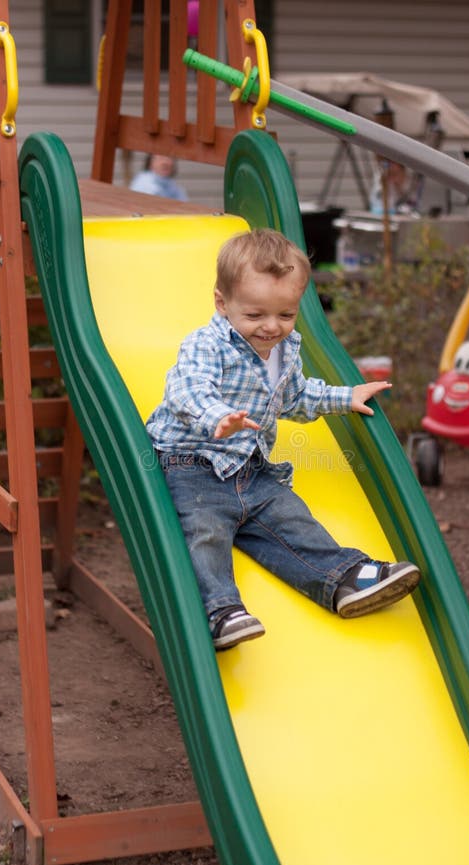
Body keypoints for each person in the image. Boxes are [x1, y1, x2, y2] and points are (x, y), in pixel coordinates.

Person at [146, 229, 420, 650]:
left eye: (286, 315)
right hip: (191, 465)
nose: (272, 327)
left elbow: (295, 397)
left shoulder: (285, 348)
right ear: (223, 303)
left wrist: (344, 397)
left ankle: (344, 579)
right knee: (204, 532)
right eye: (255, 315)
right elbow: (187, 390)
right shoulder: (205, 345)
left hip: (252, 470)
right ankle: (218, 611)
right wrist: (218, 416)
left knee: (293, 519)